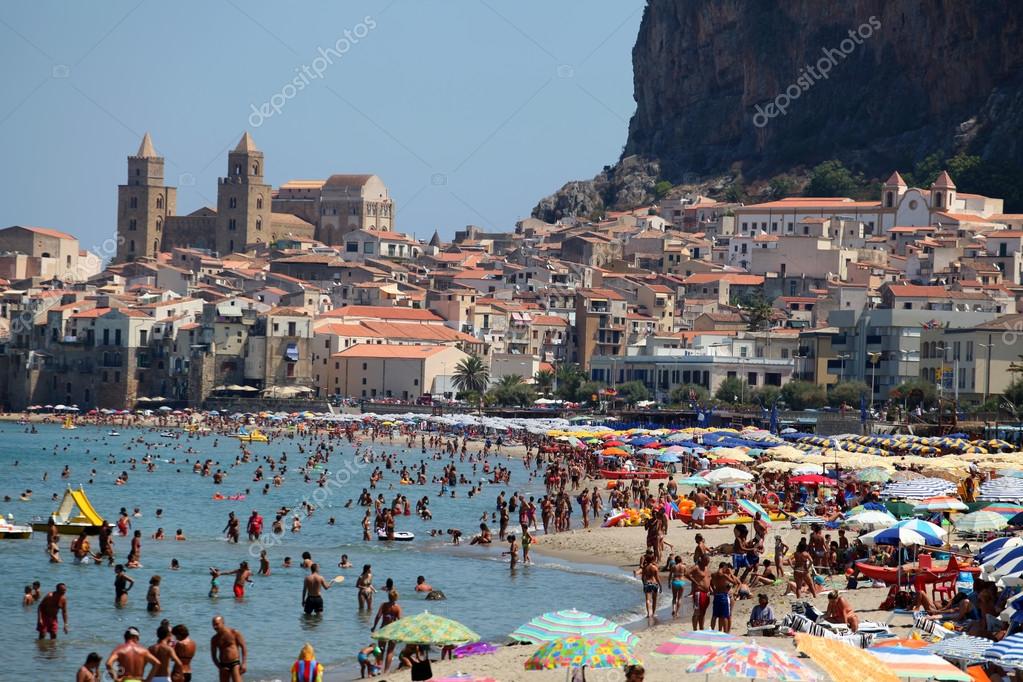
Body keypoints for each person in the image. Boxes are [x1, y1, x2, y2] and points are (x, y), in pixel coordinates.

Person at [371, 590, 402, 672]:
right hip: (393, 630)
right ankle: (386, 670)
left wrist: (374, 627)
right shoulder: (397, 607)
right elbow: (399, 621)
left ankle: (379, 669)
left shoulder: (384, 605)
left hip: (383, 629)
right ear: (396, 597)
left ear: (388, 597)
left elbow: (378, 616)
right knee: (390, 651)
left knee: (381, 649)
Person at [210, 616, 247, 682]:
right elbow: (213, 656)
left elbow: (243, 647)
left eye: (217, 624)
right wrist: (220, 667)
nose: (215, 627)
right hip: (223, 665)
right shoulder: (214, 639)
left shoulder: (234, 633)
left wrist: (244, 663)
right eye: (213, 625)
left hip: (234, 663)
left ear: (223, 623)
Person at [710, 562, 740, 633]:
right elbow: (735, 582)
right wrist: (731, 574)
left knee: (714, 615)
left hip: (717, 595)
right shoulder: (724, 575)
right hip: (723, 595)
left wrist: (714, 591)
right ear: (724, 567)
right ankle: (726, 633)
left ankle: (711, 632)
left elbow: (710, 584)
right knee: (725, 615)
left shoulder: (713, 575)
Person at [687, 555, 711, 630]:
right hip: (699, 592)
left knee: (703, 612)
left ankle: (701, 628)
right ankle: (695, 629)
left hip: (706, 592)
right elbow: (687, 573)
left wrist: (711, 588)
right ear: (702, 560)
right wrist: (695, 581)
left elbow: (708, 578)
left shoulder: (706, 568)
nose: (707, 563)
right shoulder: (696, 567)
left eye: (708, 562)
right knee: (697, 612)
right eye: (706, 561)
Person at [639, 551, 661, 624]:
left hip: (647, 583)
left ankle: (649, 613)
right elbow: (657, 578)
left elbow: (642, 578)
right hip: (654, 583)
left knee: (648, 600)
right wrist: (660, 585)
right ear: (652, 560)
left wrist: (643, 584)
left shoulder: (644, 568)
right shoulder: (655, 568)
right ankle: (653, 613)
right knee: (654, 599)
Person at [668, 554, 687, 619]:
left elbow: (670, 575)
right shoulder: (684, 566)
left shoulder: (673, 566)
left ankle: (673, 609)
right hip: (681, 582)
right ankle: (677, 612)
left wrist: (669, 583)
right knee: (679, 598)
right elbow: (685, 574)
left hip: (675, 581)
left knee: (674, 597)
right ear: (681, 560)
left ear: (675, 561)